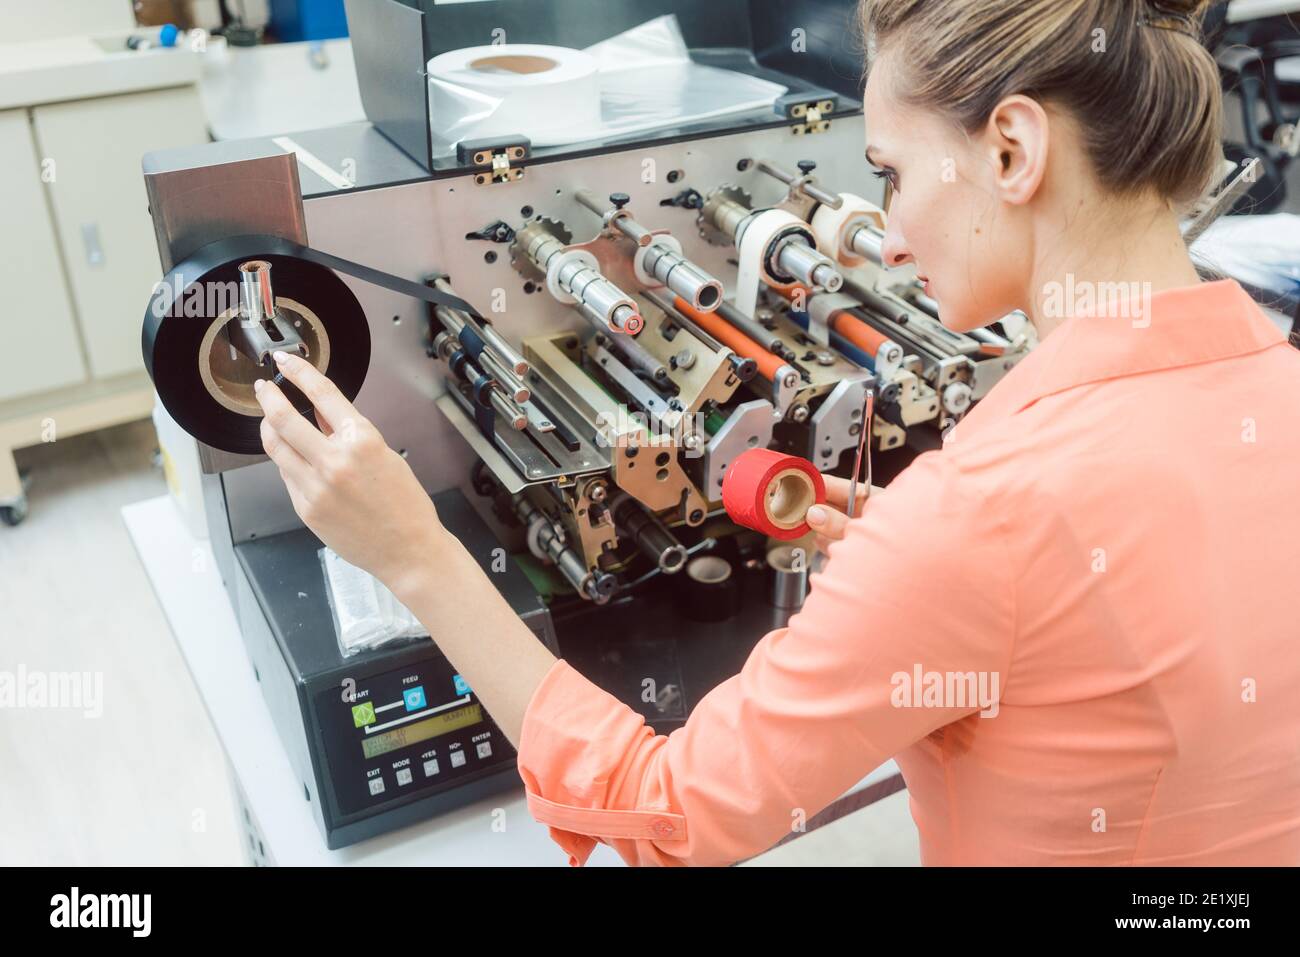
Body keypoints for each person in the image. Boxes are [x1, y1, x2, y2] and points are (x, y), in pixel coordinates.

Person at [251, 0, 1300, 865]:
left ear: (1014, 149)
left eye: (888, 171)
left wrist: (417, 557)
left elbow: (669, 814)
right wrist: (924, 560)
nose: (885, 233)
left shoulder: (980, 516)